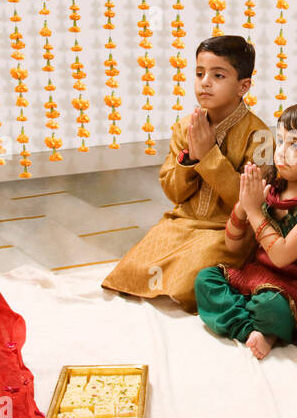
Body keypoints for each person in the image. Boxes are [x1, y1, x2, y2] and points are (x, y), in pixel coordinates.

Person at [102, 35, 271, 312]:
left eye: (218, 75)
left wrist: (209, 157)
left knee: (190, 277)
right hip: (183, 222)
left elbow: (252, 204)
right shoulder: (185, 127)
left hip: (227, 231)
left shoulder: (259, 135)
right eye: (199, 73)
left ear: (243, 86)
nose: (205, 82)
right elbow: (174, 193)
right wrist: (190, 157)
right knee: (132, 268)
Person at [195, 102, 297, 359]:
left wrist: (255, 211)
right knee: (206, 280)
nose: (281, 152)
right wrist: (243, 208)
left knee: (271, 307)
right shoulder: (274, 186)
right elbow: (233, 245)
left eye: (295, 145)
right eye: (280, 141)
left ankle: (265, 326)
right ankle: (255, 331)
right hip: (259, 274)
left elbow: (281, 255)